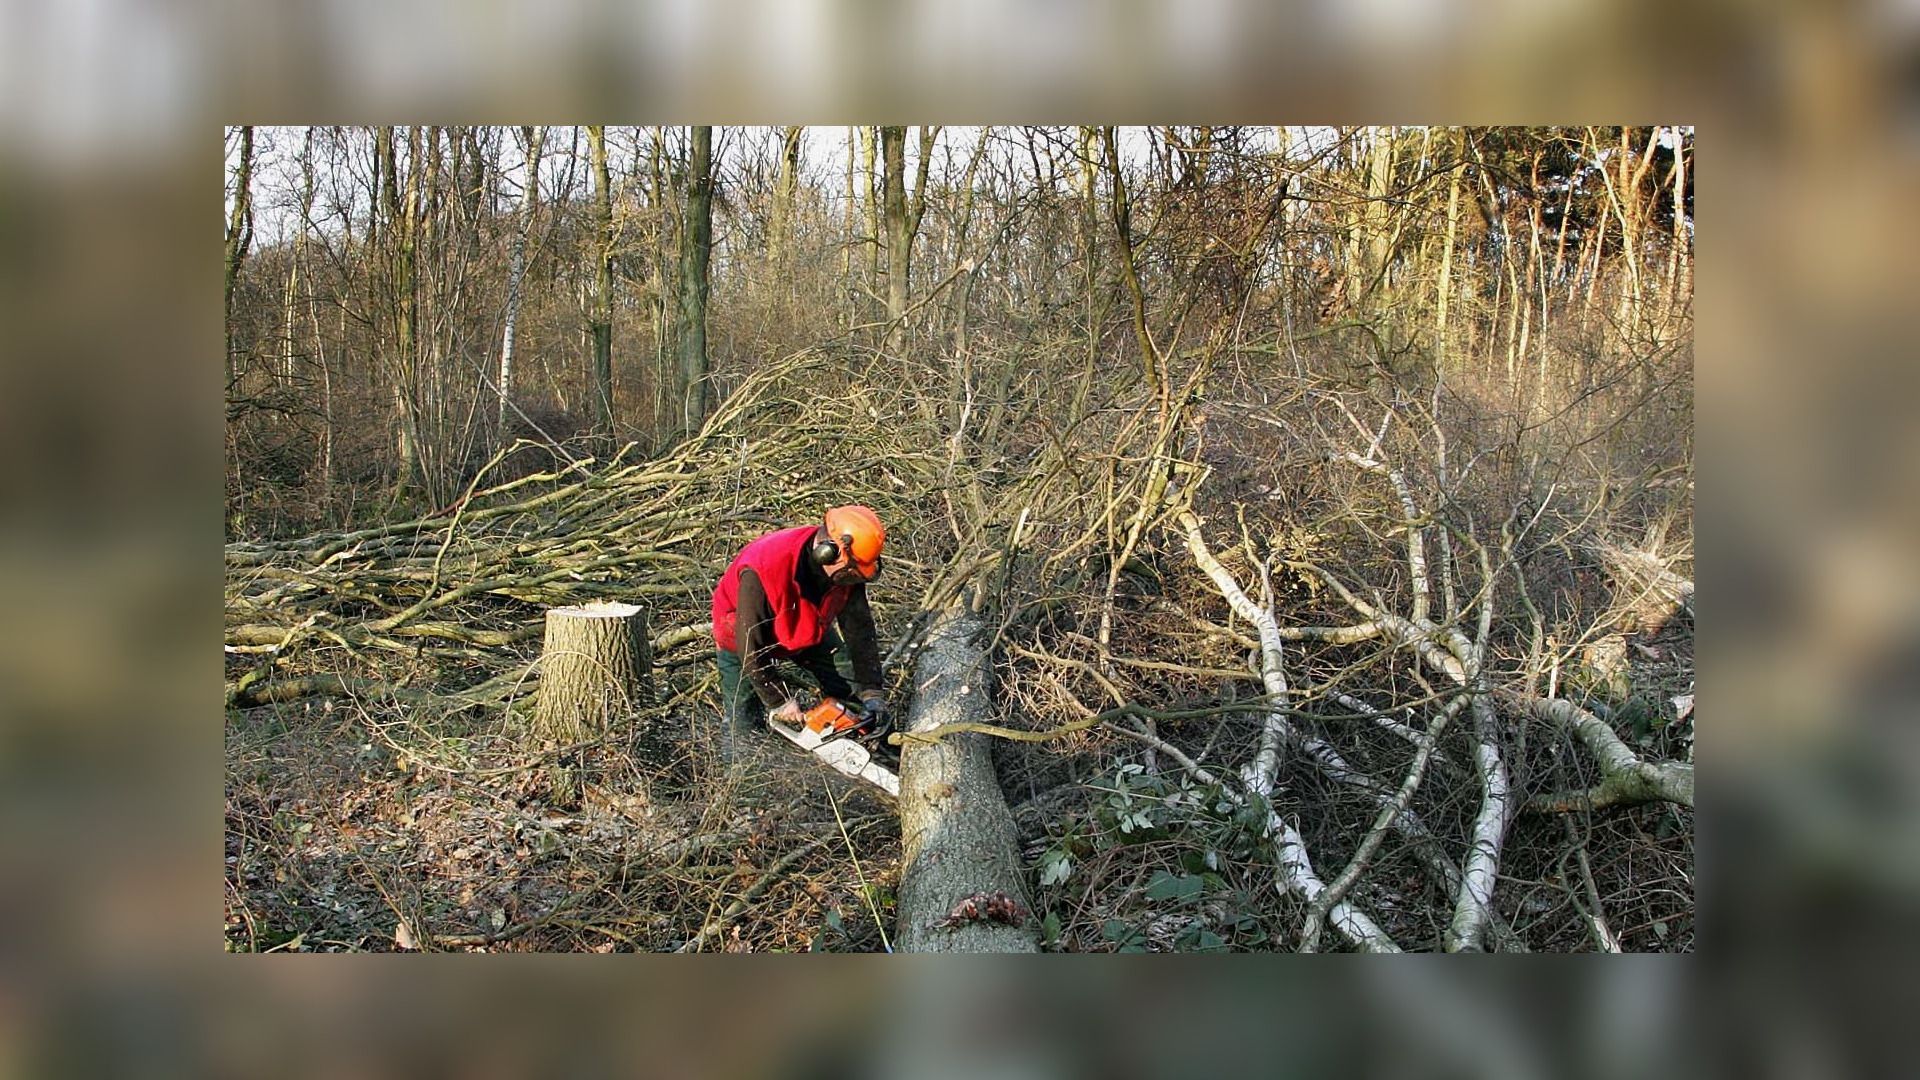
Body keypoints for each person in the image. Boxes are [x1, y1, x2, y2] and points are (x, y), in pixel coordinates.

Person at [711, 505, 890, 758]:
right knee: (743, 720)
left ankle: (869, 749)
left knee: (850, 683)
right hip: (742, 638)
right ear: (827, 552)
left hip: (805, 626)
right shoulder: (765, 566)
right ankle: (741, 784)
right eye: (851, 572)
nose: (852, 580)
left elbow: (859, 629)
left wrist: (872, 691)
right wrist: (778, 698)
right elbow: (750, 643)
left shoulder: (848, 570)